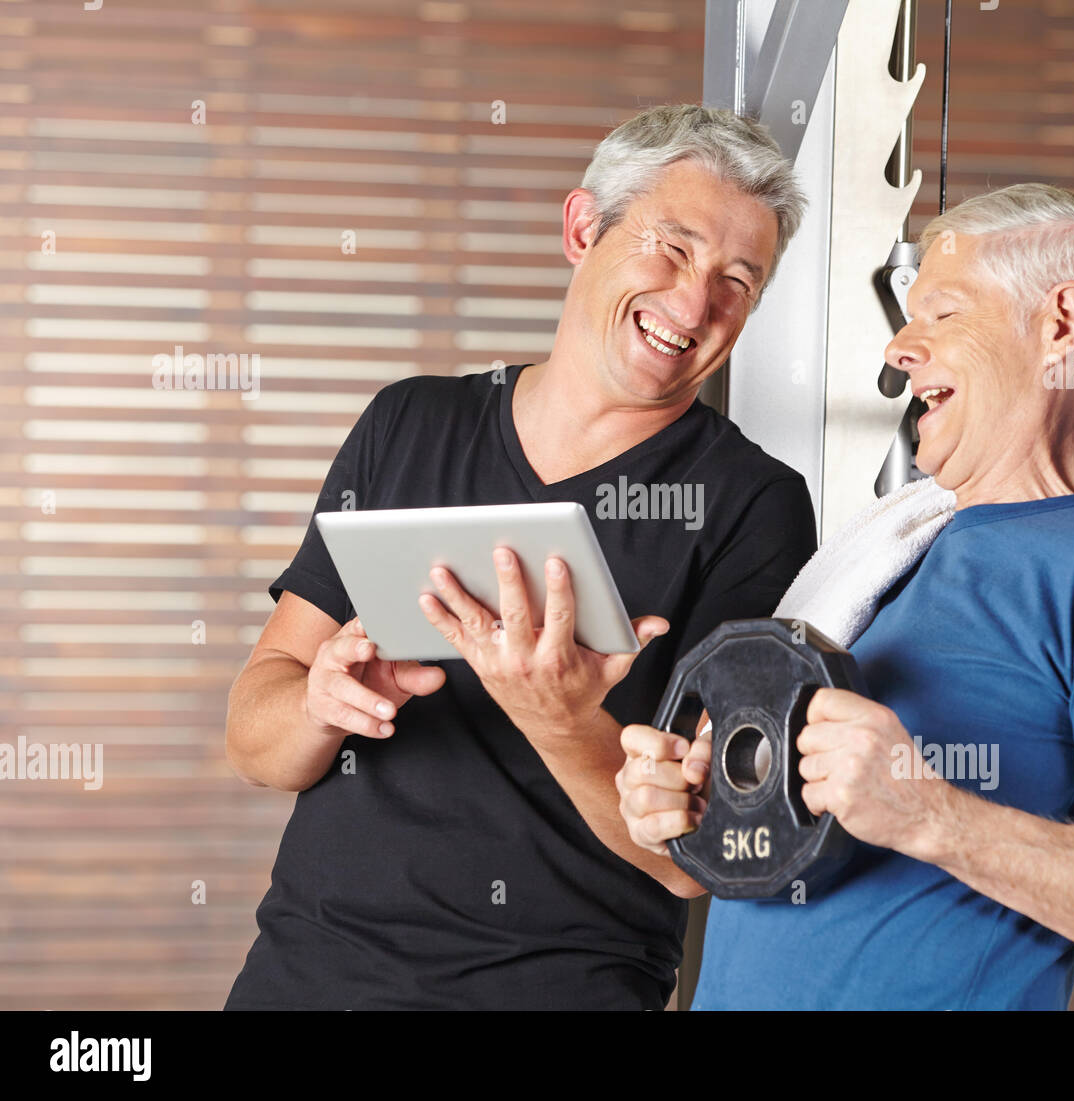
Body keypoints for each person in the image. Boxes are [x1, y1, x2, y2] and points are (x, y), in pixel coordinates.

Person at [223, 105, 817, 1010]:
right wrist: (320, 701)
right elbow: (255, 740)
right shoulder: (409, 424)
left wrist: (560, 720)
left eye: (740, 279)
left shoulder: (754, 506)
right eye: (672, 246)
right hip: (307, 977)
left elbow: (698, 859)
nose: (697, 304)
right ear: (584, 228)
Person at [618, 183, 1074, 1009]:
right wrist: (687, 799)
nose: (901, 352)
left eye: (943, 316)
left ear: (1061, 324)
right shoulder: (891, 547)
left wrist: (930, 814)